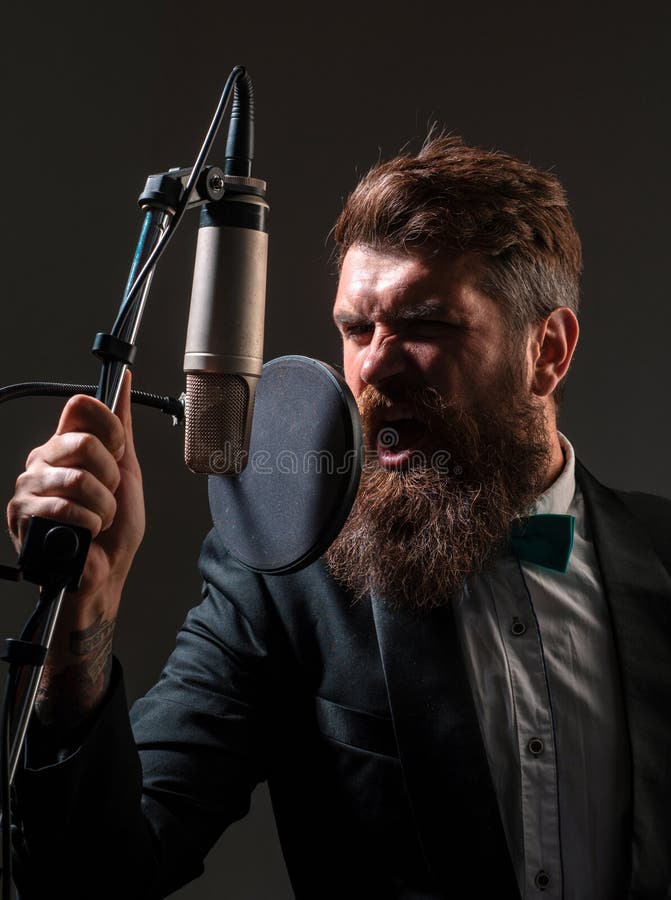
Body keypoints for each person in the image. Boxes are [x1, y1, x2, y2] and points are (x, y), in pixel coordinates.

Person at [7, 134, 671, 900]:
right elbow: (93, 879)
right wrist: (81, 616)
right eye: (357, 329)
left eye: (425, 326)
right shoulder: (284, 580)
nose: (374, 366)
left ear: (546, 352)